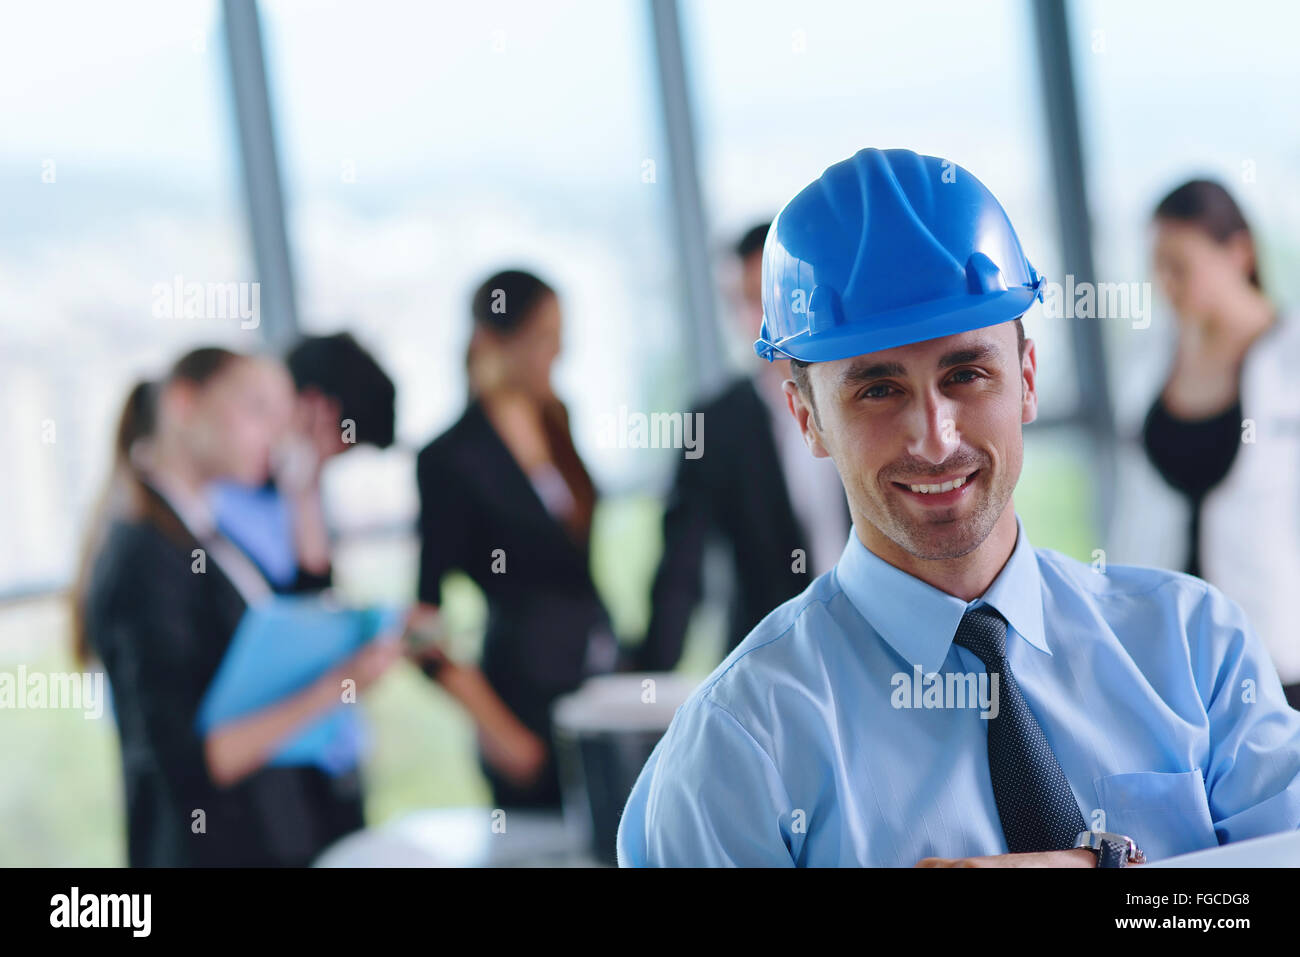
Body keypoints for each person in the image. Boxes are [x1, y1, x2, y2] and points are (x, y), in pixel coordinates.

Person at [616, 148, 1300, 867]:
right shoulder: (736, 747)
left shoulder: (1198, 649)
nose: (935, 439)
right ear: (807, 416)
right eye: (877, 389)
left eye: (967, 373)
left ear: (1027, 379)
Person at [73, 348, 403, 866]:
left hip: (266, 833)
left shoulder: (204, 537)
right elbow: (188, 763)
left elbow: (303, 599)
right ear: (185, 403)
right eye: (258, 410)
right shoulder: (145, 555)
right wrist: (337, 686)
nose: (278, 434)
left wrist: (304, 490)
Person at [411, 269, 620, 809]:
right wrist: (500, 733)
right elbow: (420, 627)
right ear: (496, 343)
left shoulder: (556, 419)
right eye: (545, 338)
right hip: (523, 708)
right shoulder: (449, 459)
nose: (560, 352)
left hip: (598, 685)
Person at [631, 223, 850, 672]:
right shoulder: (714, 422)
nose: (764, 319)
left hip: (875, 640)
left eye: (774, 298)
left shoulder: (867, 394)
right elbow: (681, 565)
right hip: (772, 660)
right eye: (747, 302)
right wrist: (649, 673)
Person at [1141, 179, 1300, 708]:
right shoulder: (1149, 359)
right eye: (1157, 267)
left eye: (1180, 266)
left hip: (1279, 654)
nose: (1166, 284)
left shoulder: (1289, 359)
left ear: (1238, 252)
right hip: (1174, 656)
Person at [209, 331, 397, 594]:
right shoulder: (225, 495)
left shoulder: (288, 489)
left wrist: (307, 489)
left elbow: (315, 600)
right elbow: (298, 603)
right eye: (344, 445)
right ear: (316, 410)